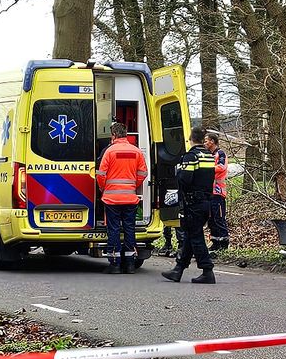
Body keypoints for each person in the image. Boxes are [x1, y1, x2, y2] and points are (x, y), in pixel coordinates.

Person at [161, 126, 216, 284]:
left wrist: (178, 171)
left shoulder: (191, 157)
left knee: (196, 236)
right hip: (206, 201)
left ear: (190, 138)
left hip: (193, 202)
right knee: (190, 237)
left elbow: (185, 179)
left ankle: (207, 270)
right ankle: (178, 269)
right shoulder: (208, 155)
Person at [96, 122, 148, 274]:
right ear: (126, 134)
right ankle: (130, 264)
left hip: (112, 199)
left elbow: (101, 175)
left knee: (113, 230)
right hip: (130, 197)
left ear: (113, 135)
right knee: (129, 229)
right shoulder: (136, 151)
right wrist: (132, 185)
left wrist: (103, 188)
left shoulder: (110, 151)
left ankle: (115, 264)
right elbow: (143, 174)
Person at [204, 130, 230, 252]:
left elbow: (221, 167)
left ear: (212, 141)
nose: (204, 143)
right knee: (211, 219)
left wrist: (207, 169)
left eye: (206, 141)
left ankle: (224, 242)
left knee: (219, 218)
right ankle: (215, 241)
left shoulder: (220, 153)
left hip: (218, 192)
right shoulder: (208, 154)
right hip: (209, 192)